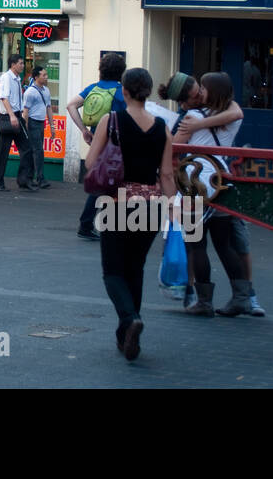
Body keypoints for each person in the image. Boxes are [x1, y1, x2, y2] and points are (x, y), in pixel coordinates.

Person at [84, 67, 175, 361]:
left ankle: (129, 319)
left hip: (117, 202)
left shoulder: (111, 122)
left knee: (112, 270)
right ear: (148, 92)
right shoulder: (163, 127)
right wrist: (173, 206)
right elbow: (167, 174)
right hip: (151, 205)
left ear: (123, 91)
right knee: (135, 269)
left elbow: (90, 162)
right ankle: (126, 337)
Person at [175, 72, 261, 318]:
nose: (200, 90)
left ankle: (204, 302)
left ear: (212, 91)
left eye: (203, 87)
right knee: (224, 245)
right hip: (221, 182)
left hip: (195, 184)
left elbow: (173, 144)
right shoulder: (231, 119)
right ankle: (242, 298)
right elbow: (236, 110)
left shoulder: (193, 117)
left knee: (196, 244)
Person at [68, 52, 128, 239]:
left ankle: (90, 224)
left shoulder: (94, 88)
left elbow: (70, 105)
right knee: (111, 183)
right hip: (117, 143)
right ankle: (91, 225)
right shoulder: (121, 92)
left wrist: (84, 130)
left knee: (104, 181)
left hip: (97, 141)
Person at [0, 53, 29, 191]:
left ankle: (24, 180)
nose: (22, 65)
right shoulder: (6, 78)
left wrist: (19, 116)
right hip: (8, 117)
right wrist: (12, 116)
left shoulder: (17, 79)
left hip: (17, 116)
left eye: (22, 63)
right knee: (2, 152)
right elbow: (3, 97)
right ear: (13, 64)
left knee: (26, 148)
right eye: (20, 63)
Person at [21, 66, 53, 189]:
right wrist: (26, 126)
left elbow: (49, 108)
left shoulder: (46, 90)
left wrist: (52, 126)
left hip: (41, 123)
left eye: (46, 75)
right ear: (36, 77)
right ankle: (40, 178)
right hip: (33, 123)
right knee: (38, 151)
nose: (46, 77)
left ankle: (34, 177)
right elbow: (26, 111)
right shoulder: (30, 92)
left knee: (37, 150)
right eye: (43, 75)